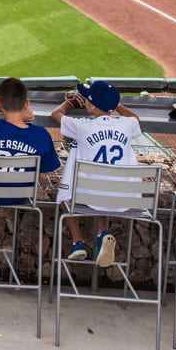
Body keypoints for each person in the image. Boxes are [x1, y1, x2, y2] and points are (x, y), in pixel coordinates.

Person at [50, 80, 141, 266]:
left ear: (91, 105)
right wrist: (116, 106)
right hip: (125, 199)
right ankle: (102, 233)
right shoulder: (127, 124)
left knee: (65, 193)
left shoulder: (83, 126)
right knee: (105, 181)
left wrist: (69, 103)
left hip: (88, 196)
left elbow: (55, 114)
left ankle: (78, 242)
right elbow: (135, 118)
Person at [0, 77, 60, 205]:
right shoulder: (41, 135)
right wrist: (20, 113)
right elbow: (43, 175)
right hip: (20, 195)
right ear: (26, 104)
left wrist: (3, 106)